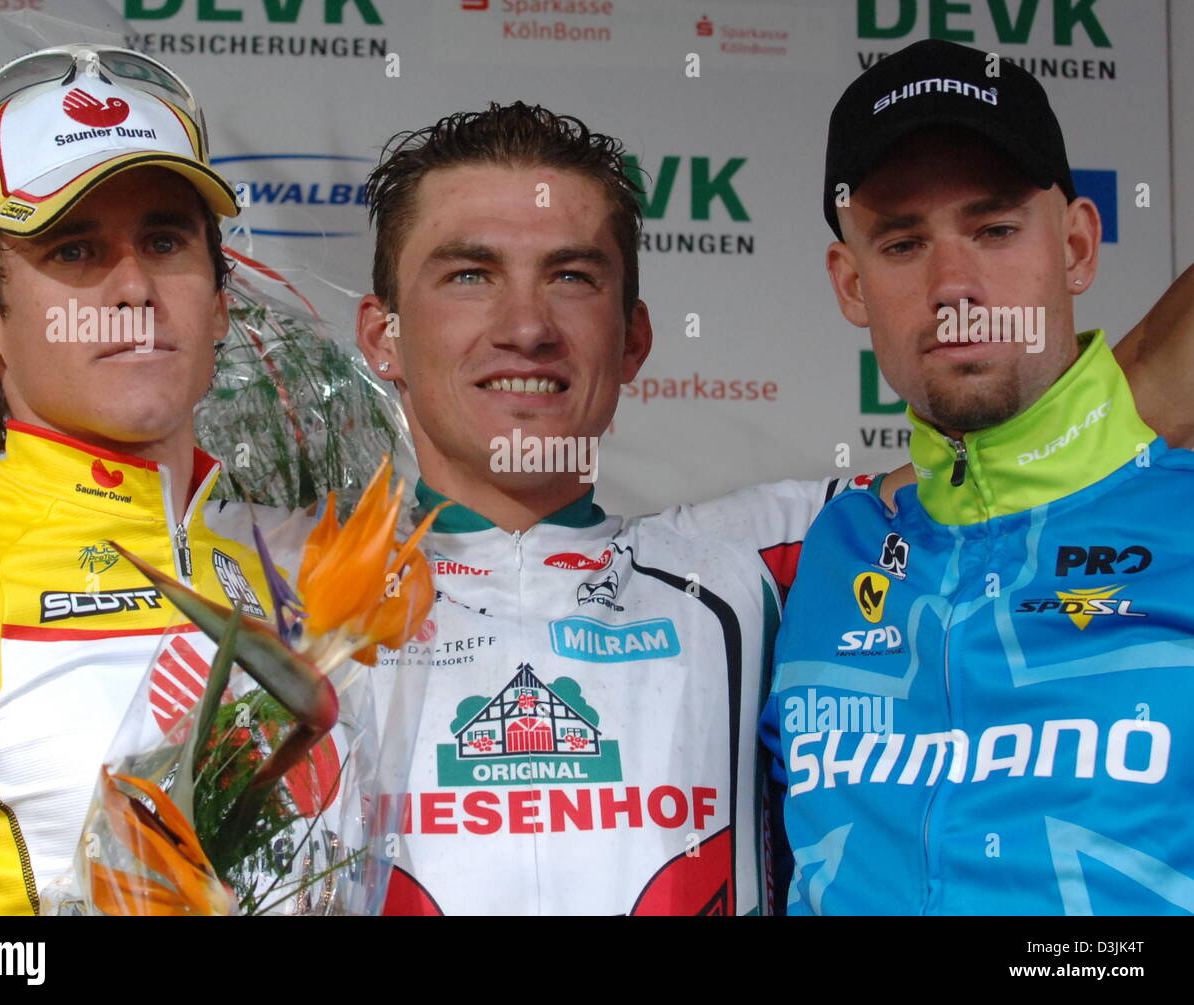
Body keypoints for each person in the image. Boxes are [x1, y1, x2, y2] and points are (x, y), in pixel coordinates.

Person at [353, 101, 1191, 916]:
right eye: (469, 274)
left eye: (572, 276)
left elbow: (1052, 445)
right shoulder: (271, 598)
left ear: (634, 337)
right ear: (381, 335)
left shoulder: (780, 552)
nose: (526, 327)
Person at [766, 38, 1194, 915]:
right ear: (850, 284)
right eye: (901, 242)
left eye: (994, 229)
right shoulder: (822, 550)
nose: (954, 285)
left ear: (1077, 245)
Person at [0, 44, 275, 916]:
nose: (134, 286)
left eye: (166, 239)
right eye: (74, 250)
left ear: (220, 298)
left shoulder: (286, 576)